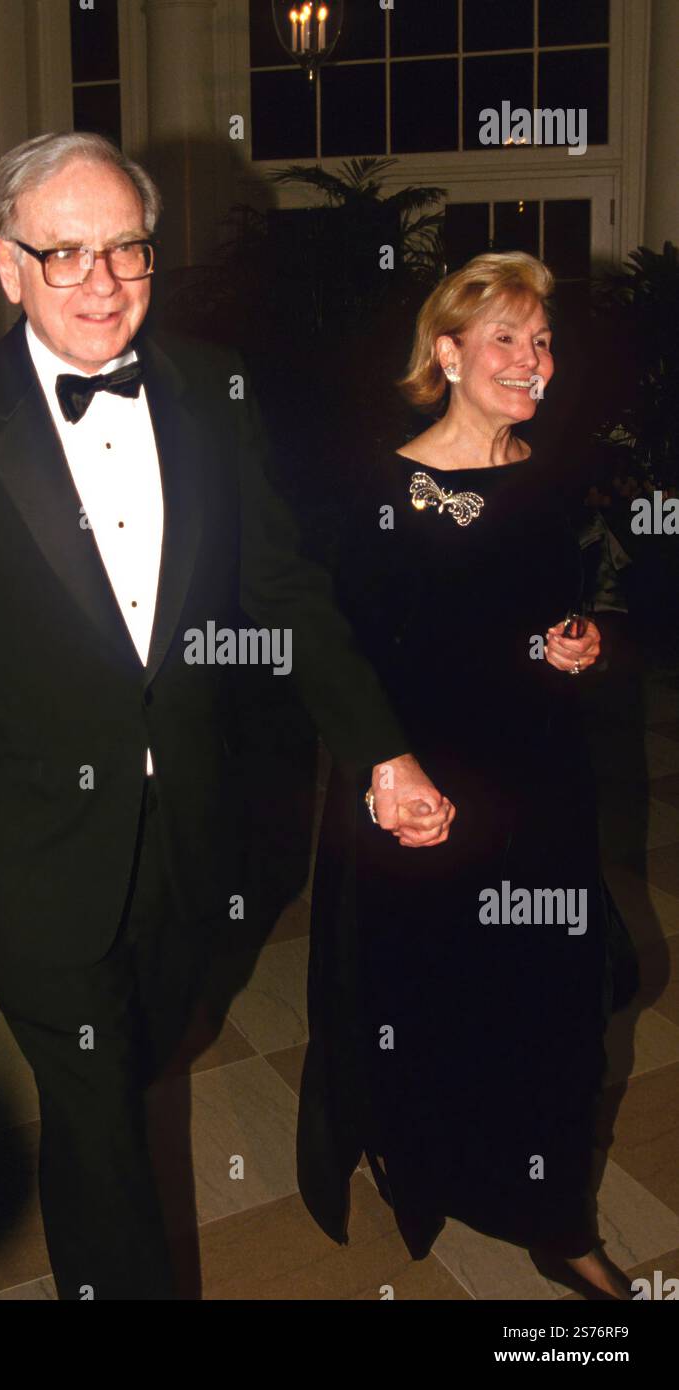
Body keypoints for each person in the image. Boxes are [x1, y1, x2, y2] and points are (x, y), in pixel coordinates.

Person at [0, 131, 454, 1301]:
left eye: (126, 249)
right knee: (95, 1119)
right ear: (4, 265)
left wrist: (380, 747)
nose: (103, 283)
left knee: (141, 1059)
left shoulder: (212, 390)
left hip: (194, 836)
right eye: (63, 253)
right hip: (26, 845)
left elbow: (283, 593)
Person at [298, 251, 637, 1301]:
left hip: (541, 786)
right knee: (429, 998)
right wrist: (383, 773)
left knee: (559, 1000)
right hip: (423, 796)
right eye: (505, 339)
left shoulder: (554, 470)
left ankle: (555, 1217)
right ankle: (419, 1152)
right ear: (445, 351)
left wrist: (581, 641)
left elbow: (577, 604)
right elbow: (337, 654)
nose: (532, 360)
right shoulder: (378, 489)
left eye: (540, 342)